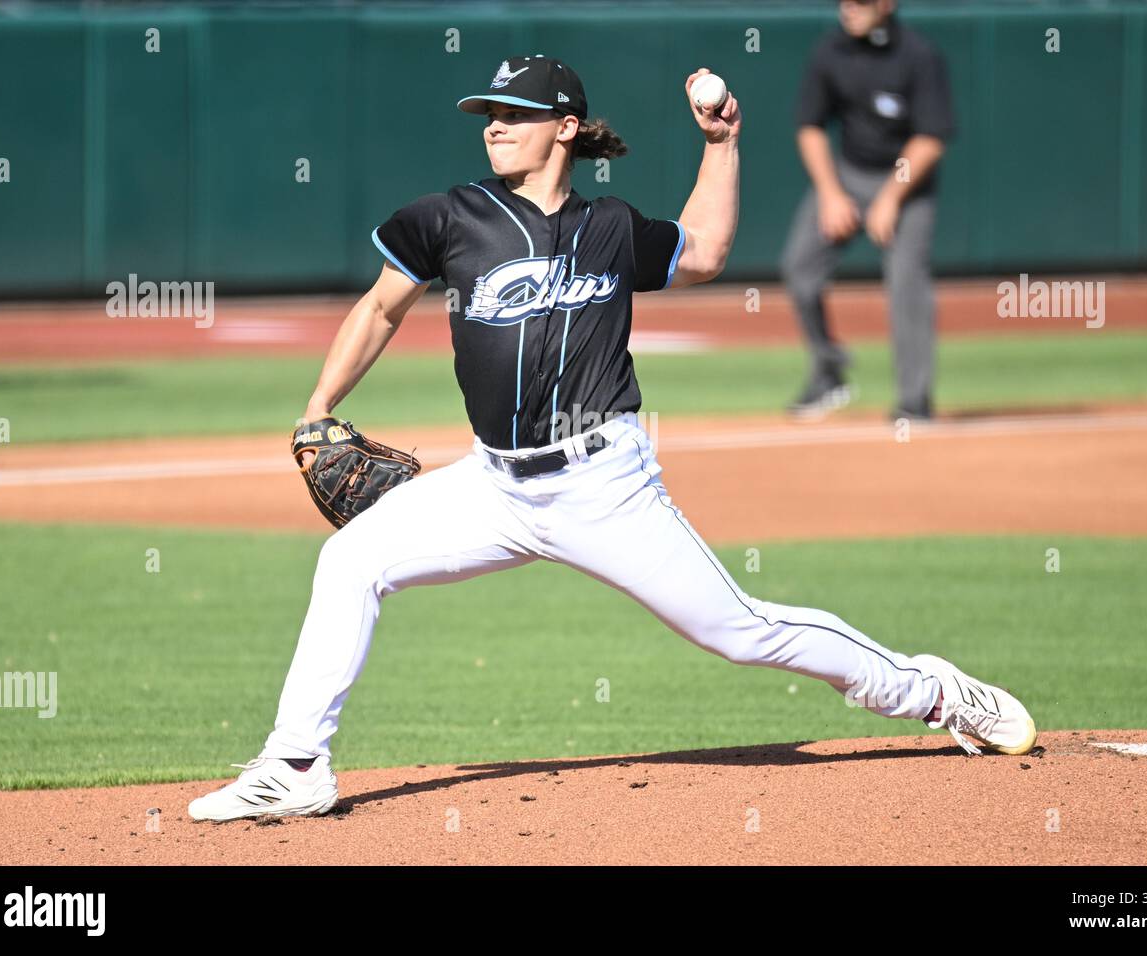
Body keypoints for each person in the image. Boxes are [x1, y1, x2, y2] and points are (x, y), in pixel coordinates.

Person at [188, 55, 1033, 823]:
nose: (494, 125)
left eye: (514, 113)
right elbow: (379, 308)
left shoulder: (611, 228)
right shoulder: (447, 218)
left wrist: (722, 144)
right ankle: (297, 765)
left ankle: (935, 693)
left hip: (605, 485)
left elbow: (701, 252)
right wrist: (317, 407)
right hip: (493, 485)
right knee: (350, 562)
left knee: (741, 631)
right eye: (488, 111)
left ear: (565, 128)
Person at [781, 0, 953, 420]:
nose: (849, 8)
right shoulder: (830, 51)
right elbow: (810, 127)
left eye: (860, 1)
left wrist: (891, 198)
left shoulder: (918, 55)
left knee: (906, 285)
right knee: (799, 268)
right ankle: (829, 372)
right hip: (849, 175)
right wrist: (830, 193)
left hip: (908, 183)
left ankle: (915, 400)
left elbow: (931, 138)